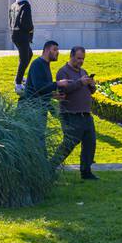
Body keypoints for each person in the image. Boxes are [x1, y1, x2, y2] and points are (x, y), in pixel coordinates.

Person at [50, 46, 98, 180]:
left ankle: (86, 172)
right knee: (68, 144)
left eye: (83, 59)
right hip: (70, 114)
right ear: (71, 56)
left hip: (86, 114)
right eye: (78, 58)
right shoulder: (63, 72)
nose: (81, 61)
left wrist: (91, 85)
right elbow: (63, 91)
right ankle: (50, 167)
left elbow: (89, 91)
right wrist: (80, 82)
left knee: (90, 143)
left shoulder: (83, 71)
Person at [18, 40, 60, 147]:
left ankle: (42, 163)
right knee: (37, 140)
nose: (57, 52)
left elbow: (41, 90)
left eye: (58, 50)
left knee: (39, 140)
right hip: (34, 110)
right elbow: (39, 87)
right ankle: (41, 163)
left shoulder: (45, 64)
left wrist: (54, 95)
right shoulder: (37, 64)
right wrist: (58, 84)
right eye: (55, 49)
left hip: (40, 109)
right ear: (46, 50)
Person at [9, 0, 35, 90]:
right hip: (22, 35)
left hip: (15, 34)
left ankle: (19, 77)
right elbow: (27, 21)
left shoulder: (14, 4)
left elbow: (11, 20)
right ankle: (18, 84)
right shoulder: (25, 5)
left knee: (28, 54)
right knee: (24, 59)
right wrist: (31, 29)